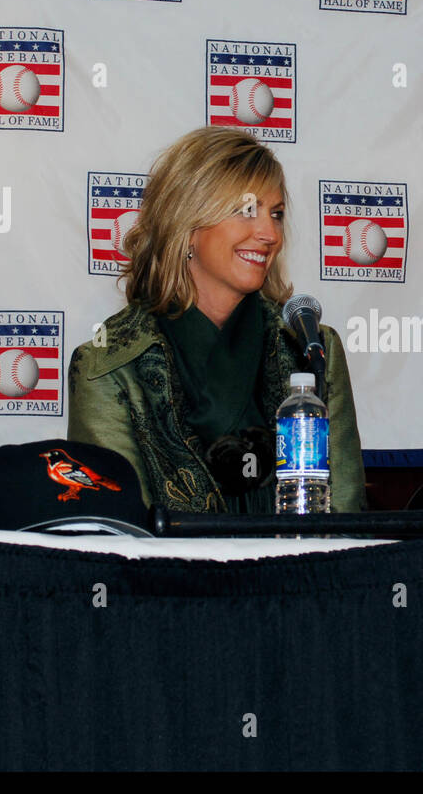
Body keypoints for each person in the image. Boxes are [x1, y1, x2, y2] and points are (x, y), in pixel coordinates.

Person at [67, 126, 365, 513]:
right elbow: (117, 528)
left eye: (276, 214)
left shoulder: (311, 348)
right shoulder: (109, 363)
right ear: (187, 225)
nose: (269, 233)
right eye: (247, 211)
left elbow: (343, 518)